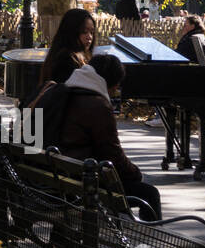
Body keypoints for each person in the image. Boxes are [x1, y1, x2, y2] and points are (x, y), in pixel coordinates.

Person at [54, 54, 162, 221]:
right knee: (149, 193)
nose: (115, 91)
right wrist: (135, 173)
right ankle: (147, 246)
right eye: (116, 86)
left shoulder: (65, 91)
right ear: (110, 82)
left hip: (60, 174)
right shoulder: (98, 105)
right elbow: (112, 155)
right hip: (86, 181)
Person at [39, 8, 96, 88]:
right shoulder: (65, 59)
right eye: (84, 32)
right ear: (71, 31)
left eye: (92, 32)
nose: (89, 37)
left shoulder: (82, 56)